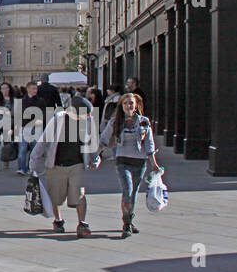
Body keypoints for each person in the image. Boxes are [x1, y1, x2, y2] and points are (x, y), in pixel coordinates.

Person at [29, 91, 98, 238]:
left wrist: (95, 158)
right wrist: (33, 163)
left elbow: (92, 142)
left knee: (79, 194)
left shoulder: (88, 122)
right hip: (56, 164)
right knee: (56, 196)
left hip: (77, 164)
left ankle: (82, 223)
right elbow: (43, 141)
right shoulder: (58, 120)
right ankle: (58, 220)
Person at [96, 93, 161, 238]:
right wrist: (95, 156)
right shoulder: (115, 121)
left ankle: (130, 220)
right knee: (127, 190)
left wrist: (154, 163)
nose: (128, 106)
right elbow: (104, 139)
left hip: (139, 161)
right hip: (122, 160)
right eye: (125, 104)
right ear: (121, 106)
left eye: (131, 103)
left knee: (134, 193)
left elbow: (149, 143)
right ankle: (126, 223)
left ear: (136, 105)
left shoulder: (144, 121)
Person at [16, 82, 43, 175]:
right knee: (22, 148)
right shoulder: (22, 101)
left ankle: (32, 168)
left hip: (37, 127)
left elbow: (45, 114)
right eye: (33, 88)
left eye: (36, 88)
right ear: (28, 89)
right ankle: (22, 168)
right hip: (24, 127)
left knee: (34, 149)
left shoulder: (40, 101)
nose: (35, 90)